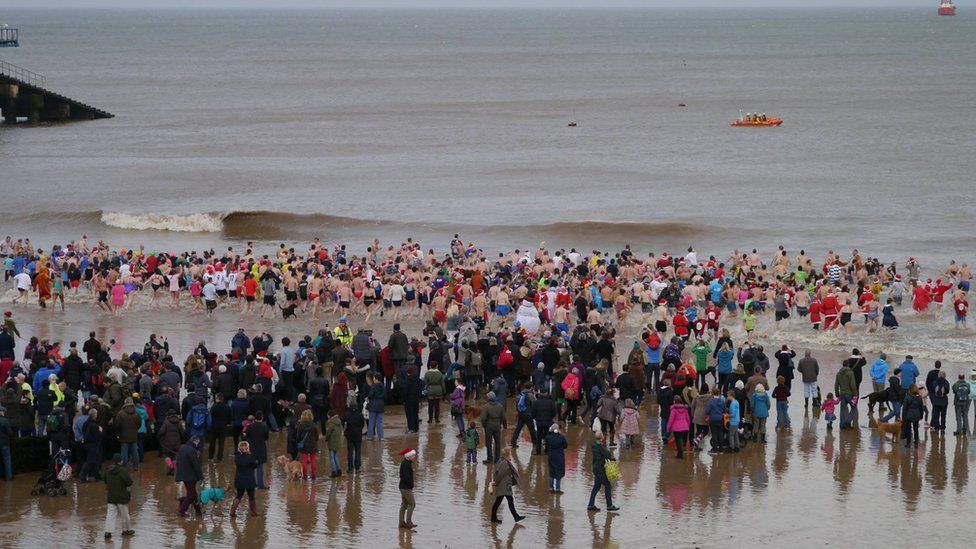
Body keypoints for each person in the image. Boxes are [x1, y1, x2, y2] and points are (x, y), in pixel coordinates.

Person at [490, 447, 525, 523]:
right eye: (510, 453)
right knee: (503, 501)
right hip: (504, 486)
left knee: (502, 501)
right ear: (507, 454)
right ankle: (515, 517)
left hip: (503, 485)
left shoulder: (501, 461)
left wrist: (496, 482)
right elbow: (500, 474)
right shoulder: (505, 463)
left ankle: (515, 517)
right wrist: (496, 483)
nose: (511, 455)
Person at [103, 453, 134, 540]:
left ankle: (108, 532)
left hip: (111, 497)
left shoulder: (108, 470)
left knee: (110, 515)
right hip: (122, 497)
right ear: (120, 461)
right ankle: (126, 530)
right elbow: (129, 482)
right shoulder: (123, 471)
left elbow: (105, 480)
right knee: (125, 515)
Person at [586, 432, 618, 512]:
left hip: (595, 468)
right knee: (607, 485)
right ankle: (609, 505)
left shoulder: (594, 445)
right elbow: (607, 454)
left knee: (596, 487)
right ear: (602, 438)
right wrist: (603, 445)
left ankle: (591, 505)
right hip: (600, 469)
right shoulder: (600, 446)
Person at [176, 436, 204, 517]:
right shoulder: (192, 451)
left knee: (193, 494)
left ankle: (198, 511)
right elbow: (196, 465)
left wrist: (178, 476)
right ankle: (182, 510)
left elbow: (178, 463)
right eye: (198, 443)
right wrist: (201, 478)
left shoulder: (182, 448)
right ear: (195, 442)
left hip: (183, 475)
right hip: (191, 476)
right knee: (191, 495)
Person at [230, 441, 259, 518]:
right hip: (249, 480)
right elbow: (255, 465)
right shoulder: (250, 457)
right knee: (251, 496)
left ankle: (232, 512)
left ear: (239, 448)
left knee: (238, 496)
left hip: (239, 479)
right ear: (247, 448)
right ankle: (253, 512)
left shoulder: (237, 457)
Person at [245, 412, 270, 489]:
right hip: (261, 448)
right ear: (262, 418)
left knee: (251, 467)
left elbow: (247, 436)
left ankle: (252, 483)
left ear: (255, 418)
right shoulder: (265, 427)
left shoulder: (249, 427)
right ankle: (260, 485)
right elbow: (266, 438)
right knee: (260, 468)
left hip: (251, 448)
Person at [481, 391, 506, 464]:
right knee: (498, 443)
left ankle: (489, 459)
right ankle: (497, 459)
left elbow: (483, 418)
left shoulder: (486, 406)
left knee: (488, 443)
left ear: (488, 398)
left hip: (488, 427)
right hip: (497, 426)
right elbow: (503, 418)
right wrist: (499, 423)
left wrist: (484, 425)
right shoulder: (500, 406)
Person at [834, 360, 857, 429]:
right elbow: (853, 385)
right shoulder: (850, 373)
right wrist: (855, 394)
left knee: (842, 410)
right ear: (848, 365)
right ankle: (848, 421)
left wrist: (837, 393)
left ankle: (842, 424)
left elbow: (836, 385)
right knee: (854, 408)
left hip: (842, 394)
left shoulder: (838, 373)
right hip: (850, 394)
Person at [296, 409, 319, 480]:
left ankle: (305, 475)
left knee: (304, 461)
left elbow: (298, 437)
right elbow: (317, 437)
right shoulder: (314, 425)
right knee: (313, 460)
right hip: (313, 445)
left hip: (304, 446)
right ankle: (313, 475)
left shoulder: (300, 426)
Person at [343, 403, 365, 474]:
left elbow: (343, 424)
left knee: (350, 452)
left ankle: (350, 468)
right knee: (358, 452)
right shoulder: (360, 415)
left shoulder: (346, 415)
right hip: (358, 435)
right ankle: (357, 468)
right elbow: (362, 425)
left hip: (349, 436)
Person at [545, 423, 567, 492]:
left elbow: (546, 448)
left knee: (551, 472)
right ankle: (558, 489)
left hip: (551, 456)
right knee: (559, 472)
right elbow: (565, 446)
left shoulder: (548, 437)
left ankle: (551, 488)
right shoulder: (561, 437)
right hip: (559, 457)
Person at [398, 447, 417, 529]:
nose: (414, 456)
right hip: (406, 488)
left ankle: (401, 522)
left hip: (402, 487)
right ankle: (408, 523)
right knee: (412, 504)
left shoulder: (406, 463)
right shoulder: (405, 464)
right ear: (409, 456)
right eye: (413, 455)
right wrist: (411, 485)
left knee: (404, 505)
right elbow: (406, 477)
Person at [365, 373, 385, 441]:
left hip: (373, 405)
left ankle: (370, 436)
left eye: (374, 378)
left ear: (376, 378)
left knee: (371, 421)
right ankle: (381, 437)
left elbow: (370, 395)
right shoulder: (383, 386)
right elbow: (385, 395)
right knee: (379, 422)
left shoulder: (373, 386)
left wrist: (368, 398)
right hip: (380, 406)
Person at [324, 409, 342, 478]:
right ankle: (339, 470)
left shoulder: (331, 424)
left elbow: (328, 433)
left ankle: (334, 471)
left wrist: (326, 439)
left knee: (331, 457)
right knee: (335, 456)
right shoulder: (338, 422)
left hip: (332, 442)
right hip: (337, 442)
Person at [0, 406, 12, 480]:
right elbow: (10, 433)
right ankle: (8, 477)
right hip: (4, 443)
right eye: (3, 411)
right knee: (7, 461)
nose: (4, 413)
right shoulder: (4, 421)